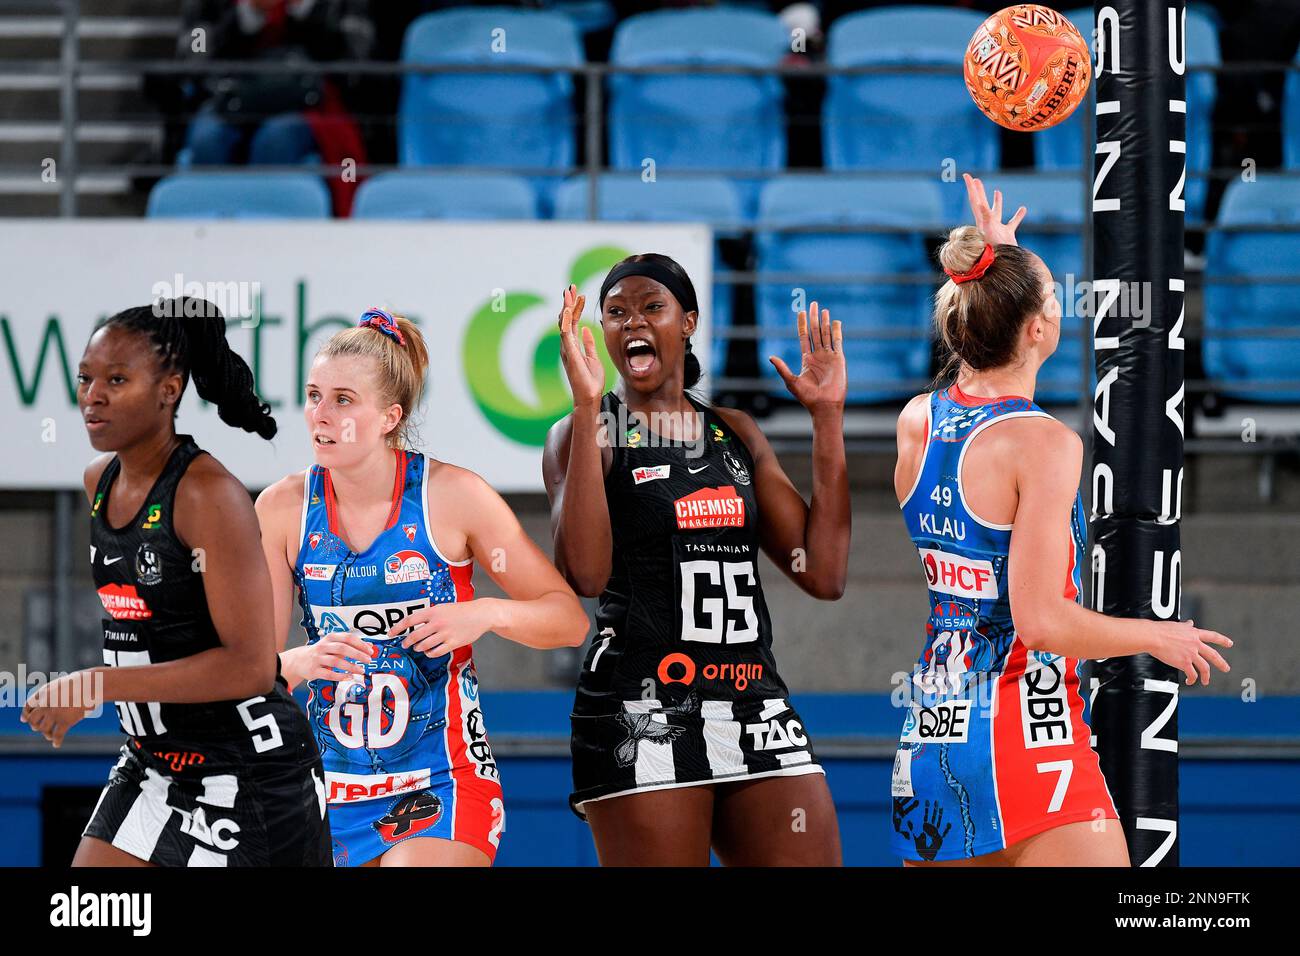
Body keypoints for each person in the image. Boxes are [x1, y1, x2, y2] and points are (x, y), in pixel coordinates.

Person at [890, 175, 1234, 866]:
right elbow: (1041, 621)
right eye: (1050, 299)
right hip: (1026, 731)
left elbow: (984, 336)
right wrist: (1157, 636)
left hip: (931, 737)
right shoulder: (1042, 443)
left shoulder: (917, 421)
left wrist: (1005, 261)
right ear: (1040, 330)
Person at [544, 253, 849, 866]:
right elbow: (584, 575)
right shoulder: (586, 432)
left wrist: (827, 419)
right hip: (640, 703)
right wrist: (582, 410)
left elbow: (822, 573)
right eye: (616, 312)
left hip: (752, 698)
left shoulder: (735, 432)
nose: (632, 323)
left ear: (687, 322)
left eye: (651, 307)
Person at [255, 307, 588, 867]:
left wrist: (483, 614)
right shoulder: (283, 507)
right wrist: (302, 660)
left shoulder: (453, 495)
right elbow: (256, 674)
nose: (321, 415)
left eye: (343, 400)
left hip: (442, 777)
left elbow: (568, 618)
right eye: (314, 396)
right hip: (325, 782)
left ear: (389, 416)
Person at [21, 298, 331, 867]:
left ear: (169, 389)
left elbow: (252, 665)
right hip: (154, 760)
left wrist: (96, 684)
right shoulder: (99, 479)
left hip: (249, 771)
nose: (93, 395)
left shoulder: (207, 494)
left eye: (117, 379)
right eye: (86, 378)